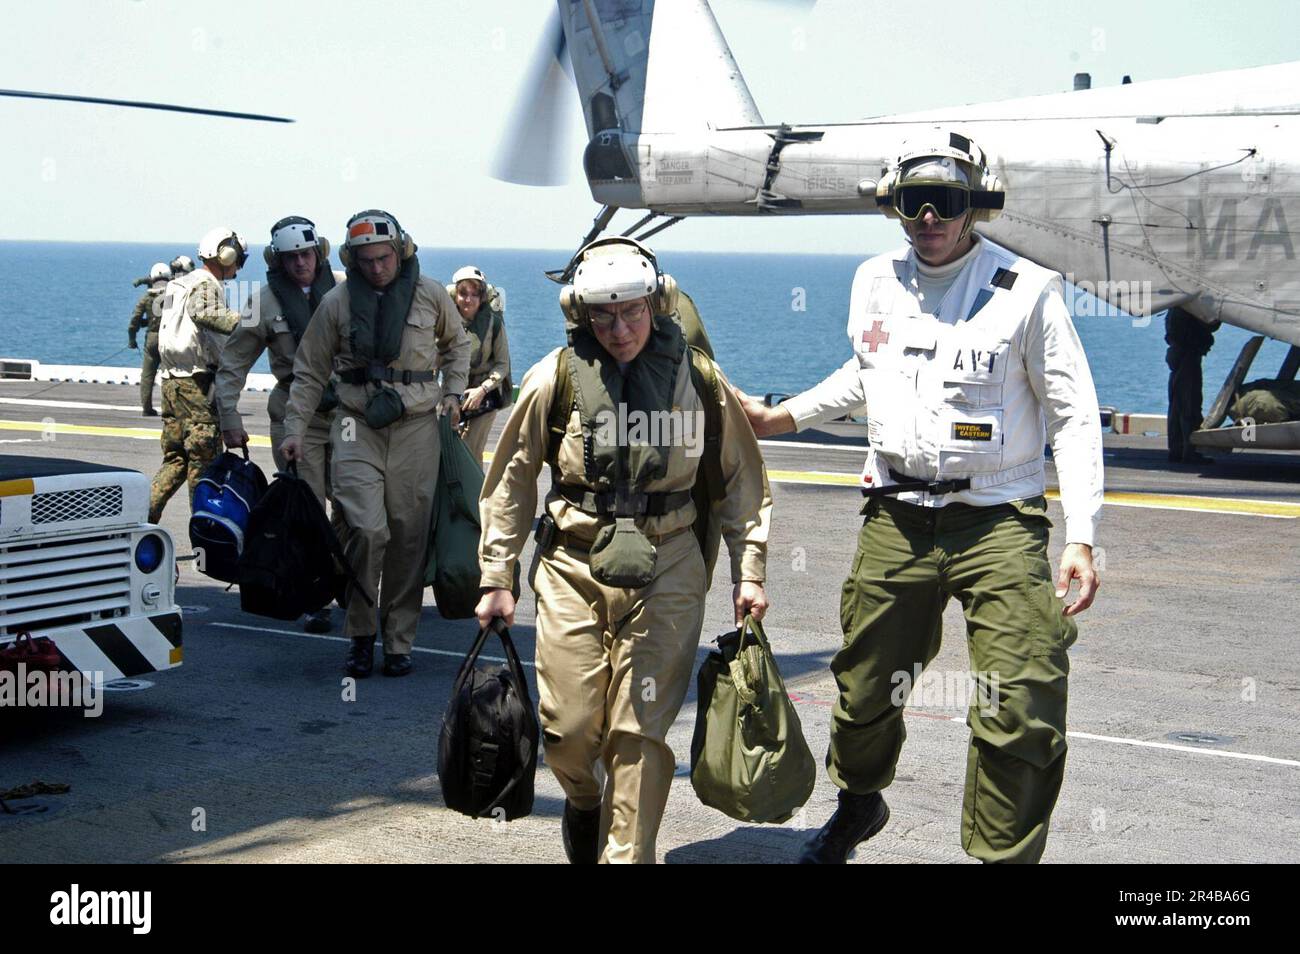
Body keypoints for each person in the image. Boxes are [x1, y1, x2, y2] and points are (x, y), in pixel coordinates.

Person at [740, 130, 1103, 864]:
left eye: (946, 202)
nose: (930, 217)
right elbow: (868, 372)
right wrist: (785, 416)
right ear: (894, 206)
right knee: (865, 688)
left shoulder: (1027, 291)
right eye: (914, 202)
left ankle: (1003, 854)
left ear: (976, 206)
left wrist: (1082, 535)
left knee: (1021, 694)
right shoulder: (875, 279)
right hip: (896, 516)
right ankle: (859, 803)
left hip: (998, 519)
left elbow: (1073, 413)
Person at [475, 238, 772, 864]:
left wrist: (750, 569)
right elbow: (513, 476)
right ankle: (585, 803)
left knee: (639, 733)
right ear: (582, 314)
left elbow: (742, 476)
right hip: (572, 564)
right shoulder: (553, 378)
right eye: (603, 315)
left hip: (669, 562)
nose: (620, 329)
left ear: (656, 304)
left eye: (633, 311)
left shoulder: (697, 378)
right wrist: (496, 574)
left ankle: (626, 854)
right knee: (570, 733)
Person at [281, 210, 470, 678]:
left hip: (418, 427)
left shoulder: (429, 294)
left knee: (408, 537)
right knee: (366, 530)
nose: (377, 268)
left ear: (400, 251)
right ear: (352, 259)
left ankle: (399, 640)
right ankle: (362, 635)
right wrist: (294, 430)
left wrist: (453, 394)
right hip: (355, 426)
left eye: (384, 258)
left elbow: (458, 345)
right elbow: (308, 371)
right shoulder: (338, 302)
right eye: (365, 261)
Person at [216, 215, 343, 634]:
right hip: (293, 413)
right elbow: (233, 362)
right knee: (306, 508)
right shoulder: (263, 302)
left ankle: (349, 583)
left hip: (347, 412)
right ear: (278, 260)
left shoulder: (346, 289)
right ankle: (313, 598)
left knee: (356, 504)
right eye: (291, 258)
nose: (300, 264)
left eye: (306, 254)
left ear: (318, 252)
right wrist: (230, 419)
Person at [150, 227, 248, 523]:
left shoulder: (178, 284)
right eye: (238, 258)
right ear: (226, 254)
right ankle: (205, 537)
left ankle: (139, 522)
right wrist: (249, 327)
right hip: (197, 385)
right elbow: (204, 312)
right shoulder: (205, 284)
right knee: (204, 467)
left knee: (176, 460)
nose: (238, 265)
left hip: (170, 384)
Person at [449, 265, 512, 466]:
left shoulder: (493, 324)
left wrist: (481, 390)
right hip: (455, 392)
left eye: (474, 294)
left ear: (482, 297)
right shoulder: (447, 322)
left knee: (470, 450)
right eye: (463, 293)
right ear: (455, 295)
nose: (468, 300)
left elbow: (502, 365)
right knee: (448, 447)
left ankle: (474, 495)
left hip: (486, 394)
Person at [1165, 306, 1219, 464]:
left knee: (1177, 405)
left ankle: (1176, 449)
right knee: (1190, 404)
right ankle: (1190, 451)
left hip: (1179, 353)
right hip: (1188, 355)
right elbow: (1210, 324)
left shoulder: (1177, 306)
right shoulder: (1190, 307)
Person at [128, 262, 171, 417]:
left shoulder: (146, 298)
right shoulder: (173, 296)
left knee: (147, 375)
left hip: (151, 338)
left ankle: (147, 407)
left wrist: (132, 340)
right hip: (169, 337)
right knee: (170, 374)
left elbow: (134, 322)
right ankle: (169, 408)